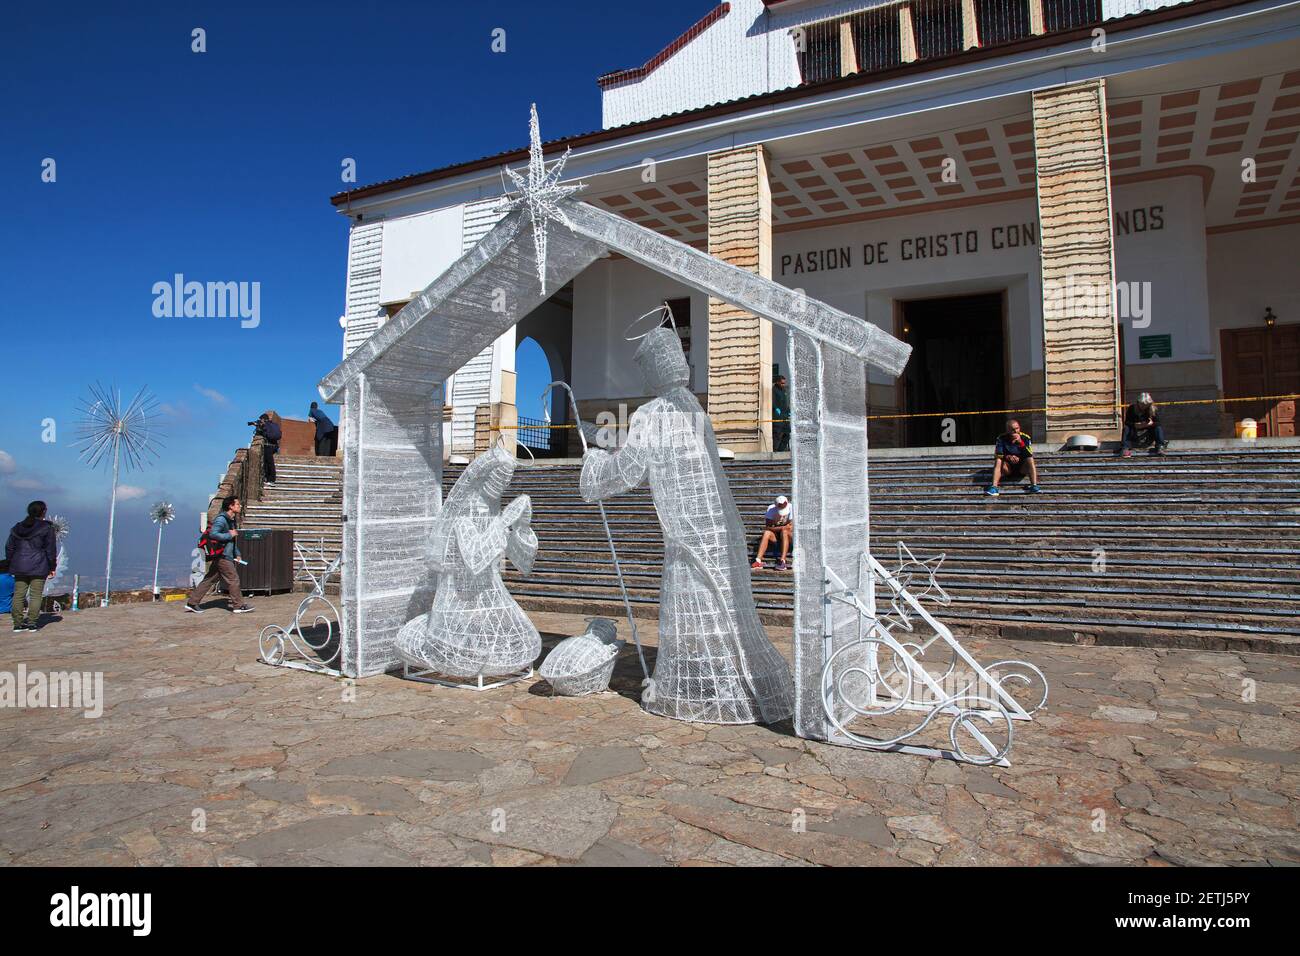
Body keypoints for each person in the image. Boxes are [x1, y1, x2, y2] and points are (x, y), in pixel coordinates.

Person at [580, 325, 793, 725]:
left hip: (690, 537)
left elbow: (628, 469)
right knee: (727, 614)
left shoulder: (654, 412)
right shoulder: (693, 408)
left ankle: (697, 691)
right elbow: (639, 445)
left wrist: (592, 464)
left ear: (654, 369)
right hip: (719, 529)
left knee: (696, 610)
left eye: (643, 367)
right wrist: (598, 435)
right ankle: (742, 685)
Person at [186, 496, 254, 614]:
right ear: (231, 506)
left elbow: (231, 541)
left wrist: (237, 553)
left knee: (209, 579)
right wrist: (229, 534)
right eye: (237, 504)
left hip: (223, 554)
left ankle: (192, 602)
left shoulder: (231, 520)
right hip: (222, 555)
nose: (240, 506)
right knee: (233, 579)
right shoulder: (222, 520)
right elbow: (213, 534)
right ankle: (238, 605)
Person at [5, 501, 57, 632]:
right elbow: (50, 549)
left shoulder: (17, 527)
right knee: (36, 594)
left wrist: (10, 562)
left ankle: (17, 623)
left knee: (18, 594)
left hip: (19, 564)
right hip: (38, 565)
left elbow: (9, 547)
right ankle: (32, 623)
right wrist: (52, 566)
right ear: (43, 511)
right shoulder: (47, 528)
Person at [987, 419, 1042, 495]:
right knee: (998, 460)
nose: (1016, 431)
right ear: (1008, 430)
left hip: (1022, 468)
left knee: (1030, 459)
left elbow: (1029, 454)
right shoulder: (1001, 438)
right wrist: (1008, 457)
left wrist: (1021, 443)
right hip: (1007, 468)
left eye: (1017, 428)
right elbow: (997, 454)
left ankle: (1034, 485)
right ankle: (994, 487)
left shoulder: (1025, 437)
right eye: (1013, 429)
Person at [752, 495, 793, 571]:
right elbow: (767, 527)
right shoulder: (771, 509)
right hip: (777, 535)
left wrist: (777, 528)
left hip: (790, 536)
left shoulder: (792, 508)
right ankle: (758, 560)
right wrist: (781, 528)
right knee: (767, 533)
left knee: (785, 531)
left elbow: (790, 528)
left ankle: (782, 561)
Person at [1121, 392, 1168, 457]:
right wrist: (1135, 425)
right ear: (1138, 402)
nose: (1144, 406)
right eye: (1142, 404)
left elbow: (1158, 422)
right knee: (1126, 428)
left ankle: (1160, 447)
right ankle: (1125, 448)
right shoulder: (1132, 408)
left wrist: (1151, 424)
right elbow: (1127, 422)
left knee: (1158, 427)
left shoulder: (1153, 409)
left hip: (1148, 434)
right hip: (1135, 432)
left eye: (1146, 405)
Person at [255, 411, 281, 483]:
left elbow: (261, 433)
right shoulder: (273, 424)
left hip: (268, 446)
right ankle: (268, 478)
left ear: (263, 419)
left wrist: (259, 427)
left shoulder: (265, 425)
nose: (260, 421)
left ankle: (271, 479)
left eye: (261, 420)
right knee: (267, 462)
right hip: (274, 446)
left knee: (269, 462)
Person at [772, 373, 791, 453]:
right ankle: (775, 450)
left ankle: (781, 450)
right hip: (778, 416)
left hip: (785, 415)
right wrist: (776, 408)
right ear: (777, 382)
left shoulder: (784, 390)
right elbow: (772, 401)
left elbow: (786, 402)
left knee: (787, 434)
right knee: (777, 434)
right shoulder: (774, 390)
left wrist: (789, 410)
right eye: (782, 383)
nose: (784, 384)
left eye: (784, 383)